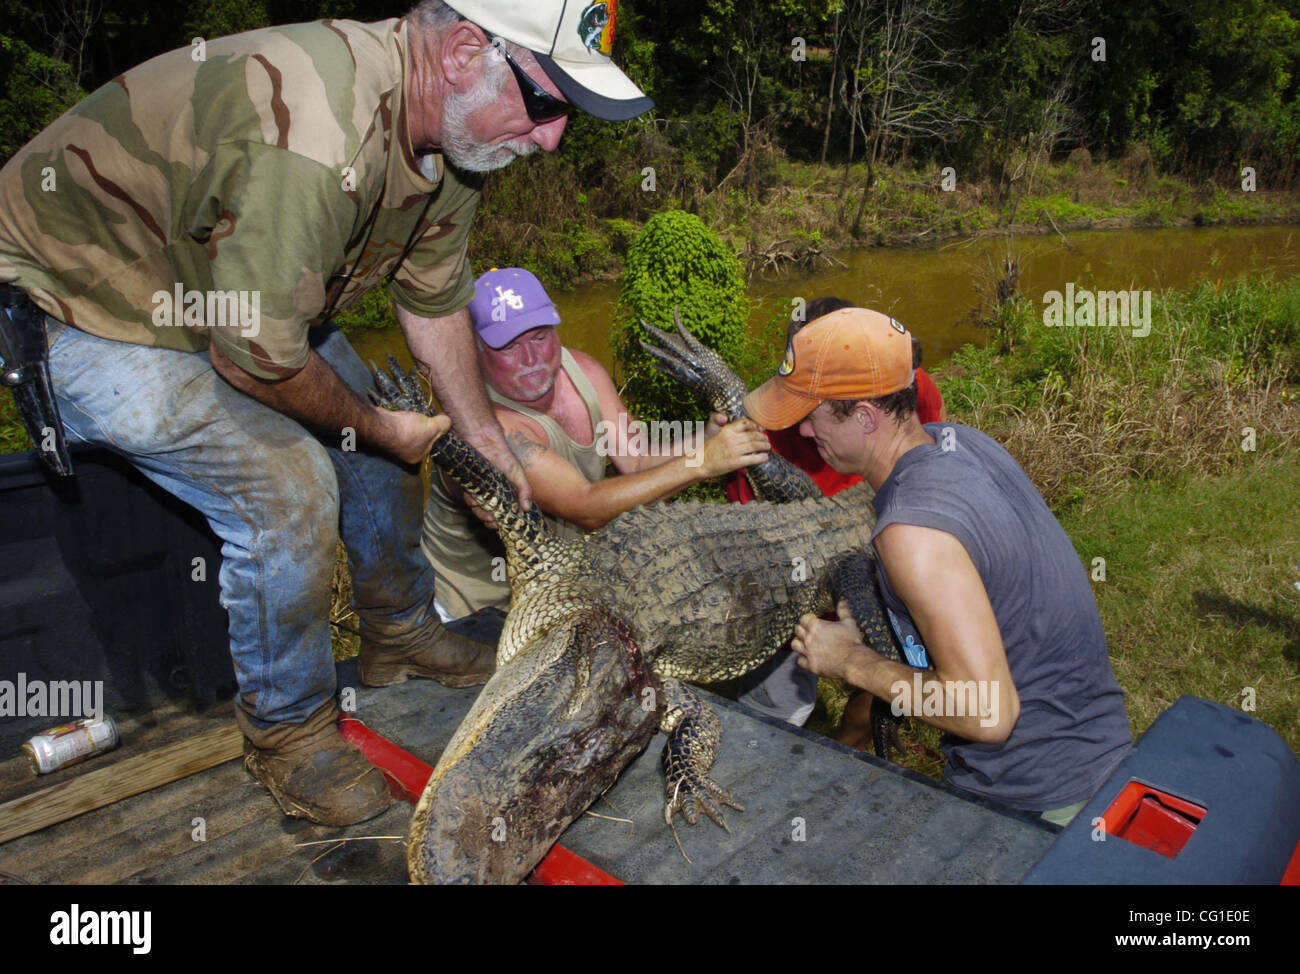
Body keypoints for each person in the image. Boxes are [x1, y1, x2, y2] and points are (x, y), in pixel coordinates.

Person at [0, 0, 653, 826]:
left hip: (224, 290)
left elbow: (435, 299)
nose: (553, 137)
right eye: (546, 101)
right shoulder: (315, 133)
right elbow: (256, 355)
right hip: (79, 305)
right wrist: (380, 430)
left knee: (398, 428)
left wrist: (487, 441)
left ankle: (399, 633)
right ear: (461, 52)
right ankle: (287, 732)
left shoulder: (451, 140)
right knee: (290, 486)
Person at [745, 307, 1130, 823]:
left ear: (864, 415)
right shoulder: (964, 445)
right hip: (1102, 753)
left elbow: (987, 714)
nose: (803, 430)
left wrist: (850, 662)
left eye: (811, 414)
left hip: (1033, 799)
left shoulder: (911, 533)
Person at [423, 267, 770, 618]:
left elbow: (638, 459)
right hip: (476, 606)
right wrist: (702, 462)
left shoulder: (584, 371)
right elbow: (588, 510)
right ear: (476, 350)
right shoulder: (490, 428)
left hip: (553, 589)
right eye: (509, 347)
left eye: (540, 337)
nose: (531, 360)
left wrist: (705, 440)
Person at [733, 296, 945, 728]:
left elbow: (928, 455)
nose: (804, 425)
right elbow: (752, 552)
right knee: (781, 709)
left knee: (896, 673)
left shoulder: (902, 386)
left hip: (879, 560)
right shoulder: (764, 433)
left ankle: (852, 742)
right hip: (794, 585)